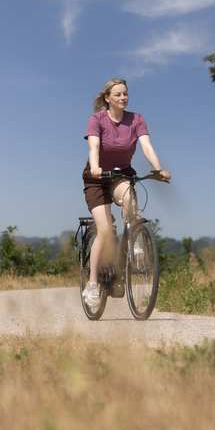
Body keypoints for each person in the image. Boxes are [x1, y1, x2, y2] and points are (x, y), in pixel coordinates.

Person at [82, 78, 171, 307]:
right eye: (118, 94)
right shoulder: (97, 120)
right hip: (97, 178)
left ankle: (136, 242)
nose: (123, 98)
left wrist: (158, 168)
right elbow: (94, 146)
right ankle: (92, 284)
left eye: (125, 94)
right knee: (104, 230)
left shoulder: (136, 120)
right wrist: (95, 167)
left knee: (131, 197)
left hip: (122, 174)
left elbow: (147, 146)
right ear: (107, 98)